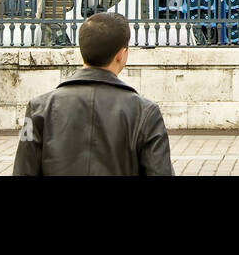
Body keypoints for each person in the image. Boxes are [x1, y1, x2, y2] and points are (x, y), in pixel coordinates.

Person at [13, 12, 173, 176]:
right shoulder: (145, 112)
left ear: (82, 49)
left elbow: (23, 170)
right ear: (121, 54)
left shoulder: (38, 108)